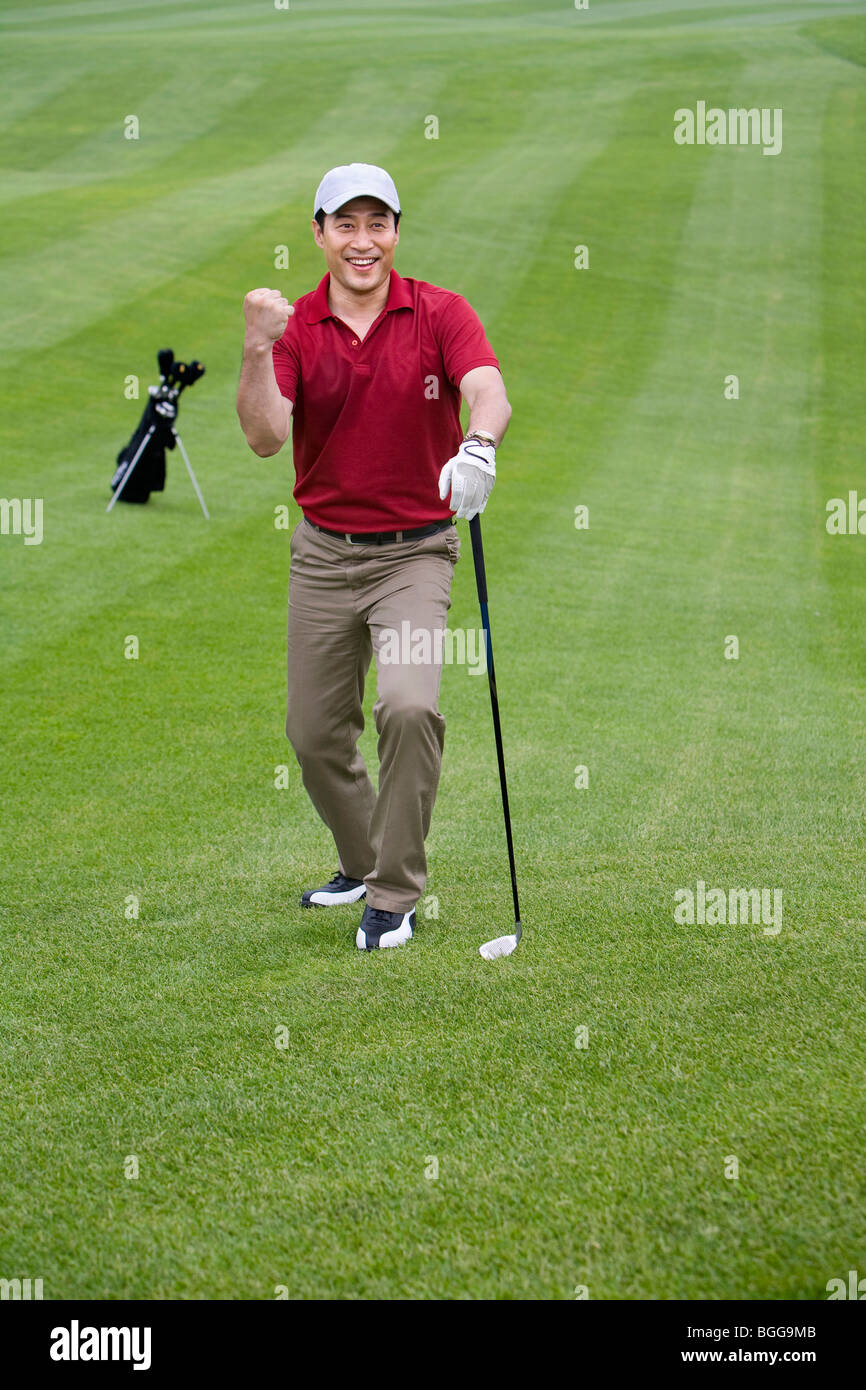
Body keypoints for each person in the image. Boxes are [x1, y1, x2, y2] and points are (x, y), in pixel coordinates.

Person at [236, 163, 512, 950]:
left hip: (415, 555)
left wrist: (479, 445)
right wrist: (257, 349)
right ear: (318, 234)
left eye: (378, 224)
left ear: (396, 230)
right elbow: (263, 438)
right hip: (323, 555)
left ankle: (394, 893)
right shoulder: (295, 329)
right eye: (345, 225)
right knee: (315, 736)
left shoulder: (438, 311)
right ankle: (362, 862)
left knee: (411, 705)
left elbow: (488, 388)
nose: (364, 242)